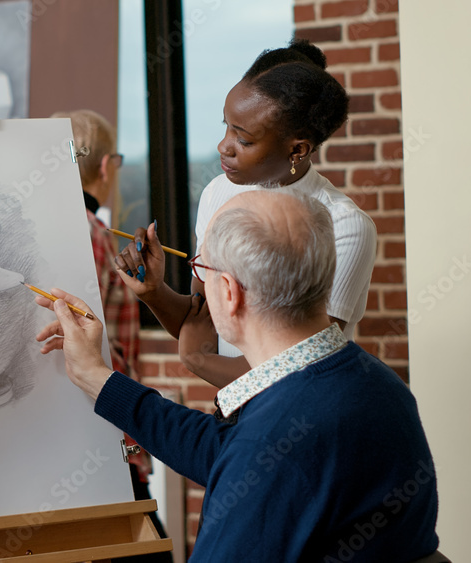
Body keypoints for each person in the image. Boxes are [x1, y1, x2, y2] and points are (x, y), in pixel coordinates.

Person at [32, 190, 440, 560]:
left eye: (200, 266)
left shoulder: (277, 444)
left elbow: (254, 459)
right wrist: (98, 378)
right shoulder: (376, 385)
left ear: (229, 292)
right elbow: (225, 450)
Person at [119, 39, 377, 389]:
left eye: (243, 139)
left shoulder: (344, 225)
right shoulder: (217, 194)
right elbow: (204, 325)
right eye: (226, 126)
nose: (223, 146)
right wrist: (153, 291)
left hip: (304, 416)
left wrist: (198, 361)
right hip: (236, 412)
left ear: (297, 149)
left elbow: (300, 365)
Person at [52, 110, 169, 562]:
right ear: (105, 167)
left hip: (44, 451)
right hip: (105, 444)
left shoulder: (25, 233)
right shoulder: (96, 236)